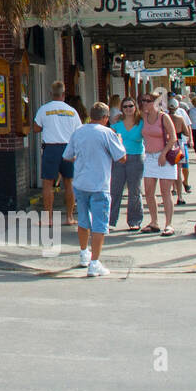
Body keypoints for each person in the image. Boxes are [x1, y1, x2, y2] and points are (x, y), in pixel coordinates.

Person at [62, 102, 127, 278]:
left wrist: (82, 158)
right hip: (100, 184)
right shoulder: (108, 133)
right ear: (105, 118)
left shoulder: (79, 132)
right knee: (99, 224)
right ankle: (95, 263)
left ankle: (84, 253)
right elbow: (121, 158)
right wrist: (119, 141)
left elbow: (67, 156)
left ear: (91, 116)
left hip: (81, 183)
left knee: (83, 221)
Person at [33, 81, 81, 224]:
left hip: (51, 149)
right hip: (68, 147)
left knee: (48, 184)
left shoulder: (44, 109)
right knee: (69, 183)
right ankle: (70, 217)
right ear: (64, 95)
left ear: (50, 94)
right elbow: (78, 131)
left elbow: (36, 128)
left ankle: (48, 218)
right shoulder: (72, 111)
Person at [139, 89, 180, 235]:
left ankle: (168, 224)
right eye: (143, 100)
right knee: (149, 192)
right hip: (149, 157)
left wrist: (163, 154)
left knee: (165, 192)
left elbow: (174, 137)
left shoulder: (164, 117)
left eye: (147, 101)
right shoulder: (143, 117)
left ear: (155, 103)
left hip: (165, 156)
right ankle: (154, 221)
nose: (144, 103)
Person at [109, 96, 144, 231]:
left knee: (134, 191)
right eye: (125, 106)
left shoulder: (141, 122)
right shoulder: (117, 124)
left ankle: (134, 220)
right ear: (121, 109)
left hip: (136, 158)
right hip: (119, 159)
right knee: (115, 190)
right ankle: (111, 221)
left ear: (135, 107)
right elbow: (109, 140)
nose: (128, 109)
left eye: (131, 106)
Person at [169, 96, 193, 198]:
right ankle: (180, 196)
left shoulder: (164, 117)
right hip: (178, 144)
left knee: (170, 170)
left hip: (167, 143)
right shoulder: (180, 118)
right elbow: (186, 132)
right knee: (178, 170)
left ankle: (172, 191)